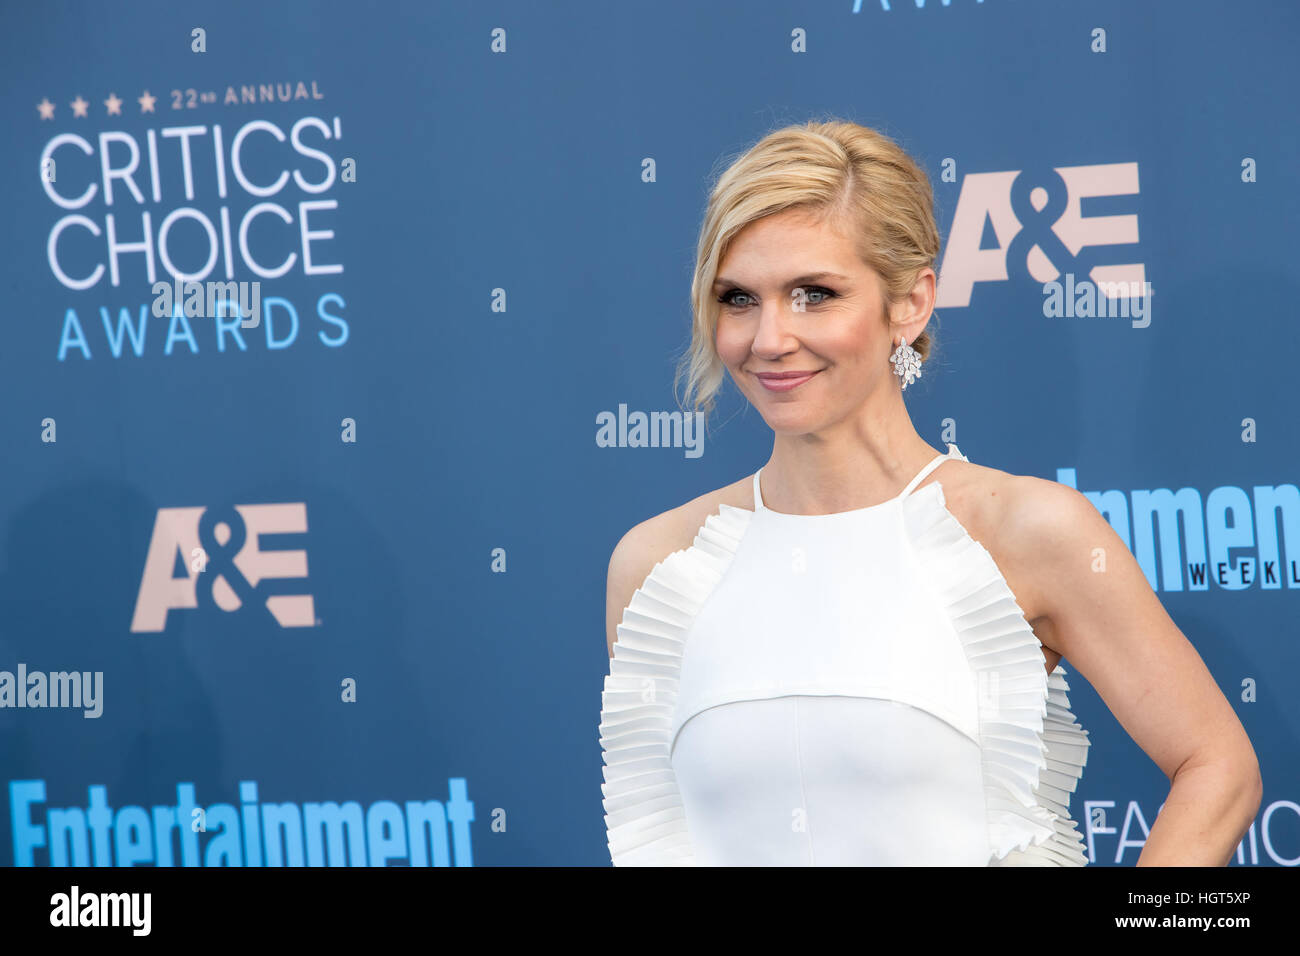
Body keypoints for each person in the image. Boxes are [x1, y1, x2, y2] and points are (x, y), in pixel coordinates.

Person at [598, 118, 1261, 866]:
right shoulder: (660, 564)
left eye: (814, 294)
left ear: (909, 305)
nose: (769, 338)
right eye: (739, 299)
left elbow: (1219, 769)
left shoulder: (1025, 530)